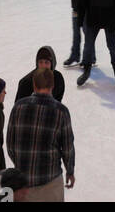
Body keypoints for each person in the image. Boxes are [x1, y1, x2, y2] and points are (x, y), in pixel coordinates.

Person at [6, 65, 75, 202]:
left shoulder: (18, 107)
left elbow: (10, 145)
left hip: (22, 185)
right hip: (50, 182)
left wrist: (21, 165)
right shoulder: (61, 111)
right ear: (53, 85)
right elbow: (67, 147)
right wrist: (70, 171)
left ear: (33, 84)